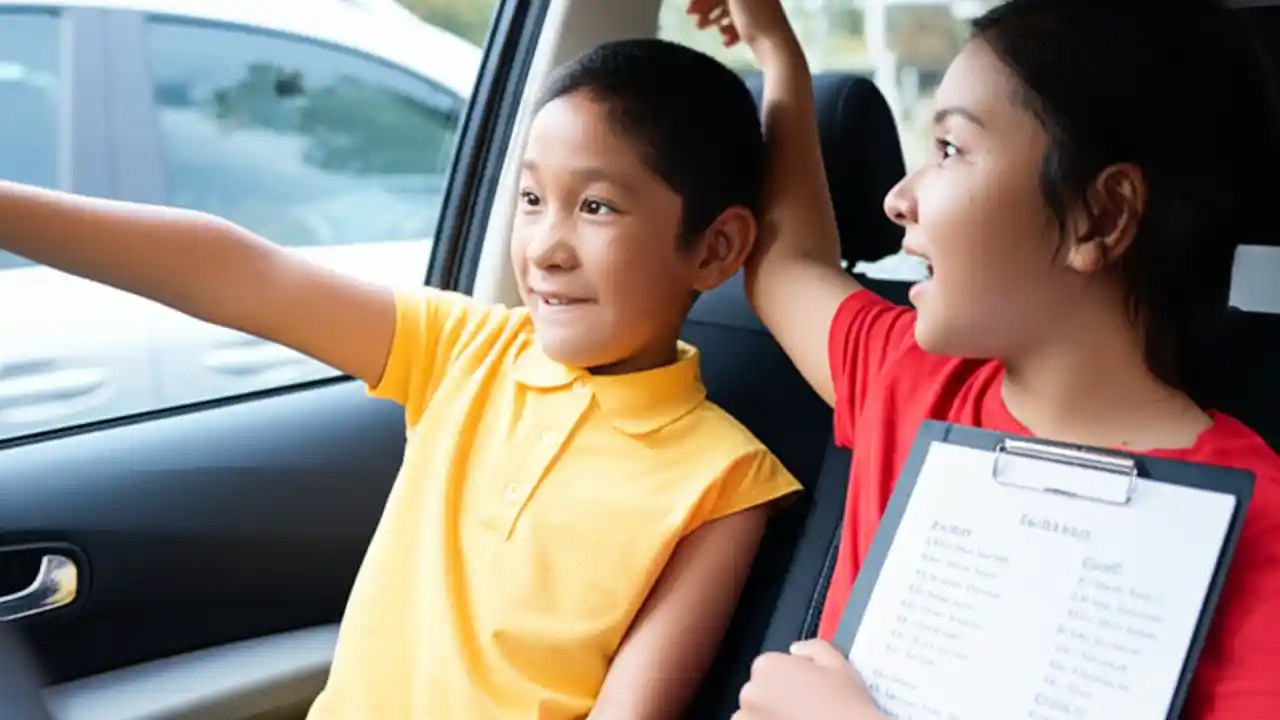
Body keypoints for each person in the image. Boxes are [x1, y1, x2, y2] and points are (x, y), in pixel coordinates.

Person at [0, 38, 802, 718]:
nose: (546, 247)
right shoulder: (468, 350)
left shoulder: (724, 482)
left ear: (715, 249)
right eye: (530, 198)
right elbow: (244, 275)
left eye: (595, 207)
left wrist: (781, 60)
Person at [684, 0, 1280, 717]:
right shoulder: (909, 381)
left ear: (1102, 216)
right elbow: (785, 263)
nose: (898, 198)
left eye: (950, 150)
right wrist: (779, 55)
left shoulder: (1256, 527)